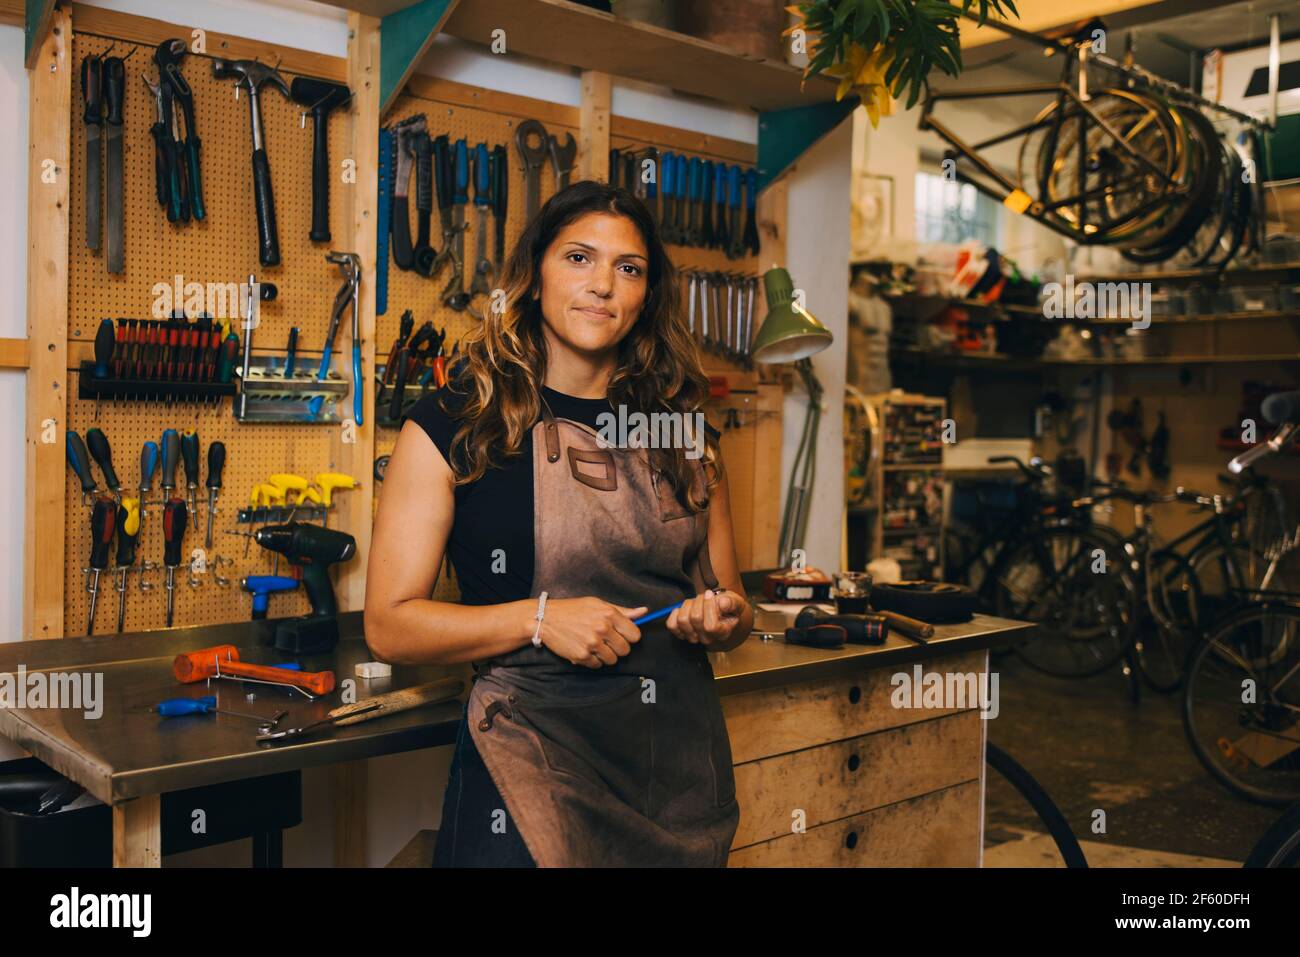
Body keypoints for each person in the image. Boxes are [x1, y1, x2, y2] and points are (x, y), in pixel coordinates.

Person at [365, 180, 754, 867]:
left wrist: (721, 617)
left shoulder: (685, 436)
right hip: (530, 767)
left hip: (675, 770)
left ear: (645, 297)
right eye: (579, 257)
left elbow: (733, 602)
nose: (602, 283)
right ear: (534, 275)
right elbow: (389, 624)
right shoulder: (456, 425)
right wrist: (539, 618)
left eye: (627, 268)